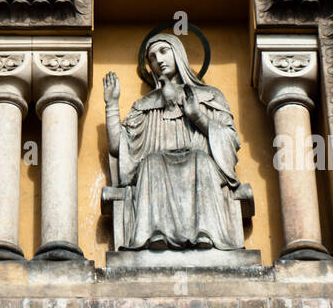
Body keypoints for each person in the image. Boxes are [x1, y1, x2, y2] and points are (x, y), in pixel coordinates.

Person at [103, 33, 242, 250]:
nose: (158, 60)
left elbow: (231, 139)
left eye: (163, 51)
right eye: (152, 58)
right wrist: (111, 105)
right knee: (152, 162)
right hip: (158, 164)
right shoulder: (144, 104)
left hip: (200, 163)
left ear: (178, 53)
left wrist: (198, 118)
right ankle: (155, 234)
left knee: (200, 160)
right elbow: (118, 147)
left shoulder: (210, 95)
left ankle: (206, 234)